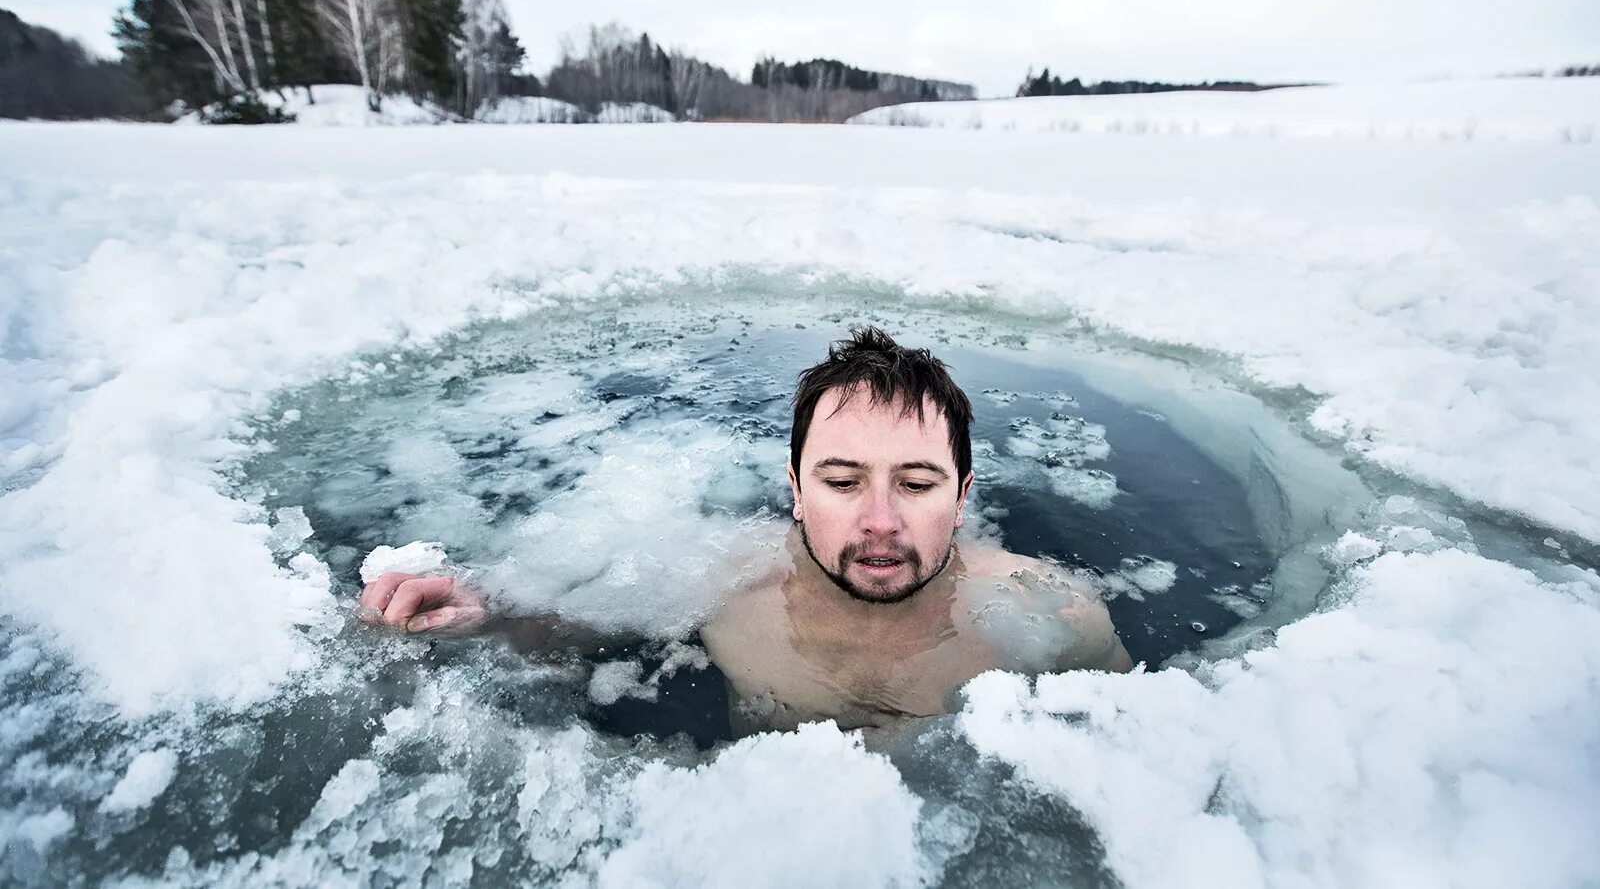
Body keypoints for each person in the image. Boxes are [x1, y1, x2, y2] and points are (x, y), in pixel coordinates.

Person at [359, 327, 1132, 734]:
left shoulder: (1053, 616)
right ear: (795, 491)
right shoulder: (723, 576)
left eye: (918, 482)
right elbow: (572, 629)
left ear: (962, 497)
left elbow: (1144, 755)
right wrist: (485, 610)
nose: (881, 520)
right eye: (841, 480)